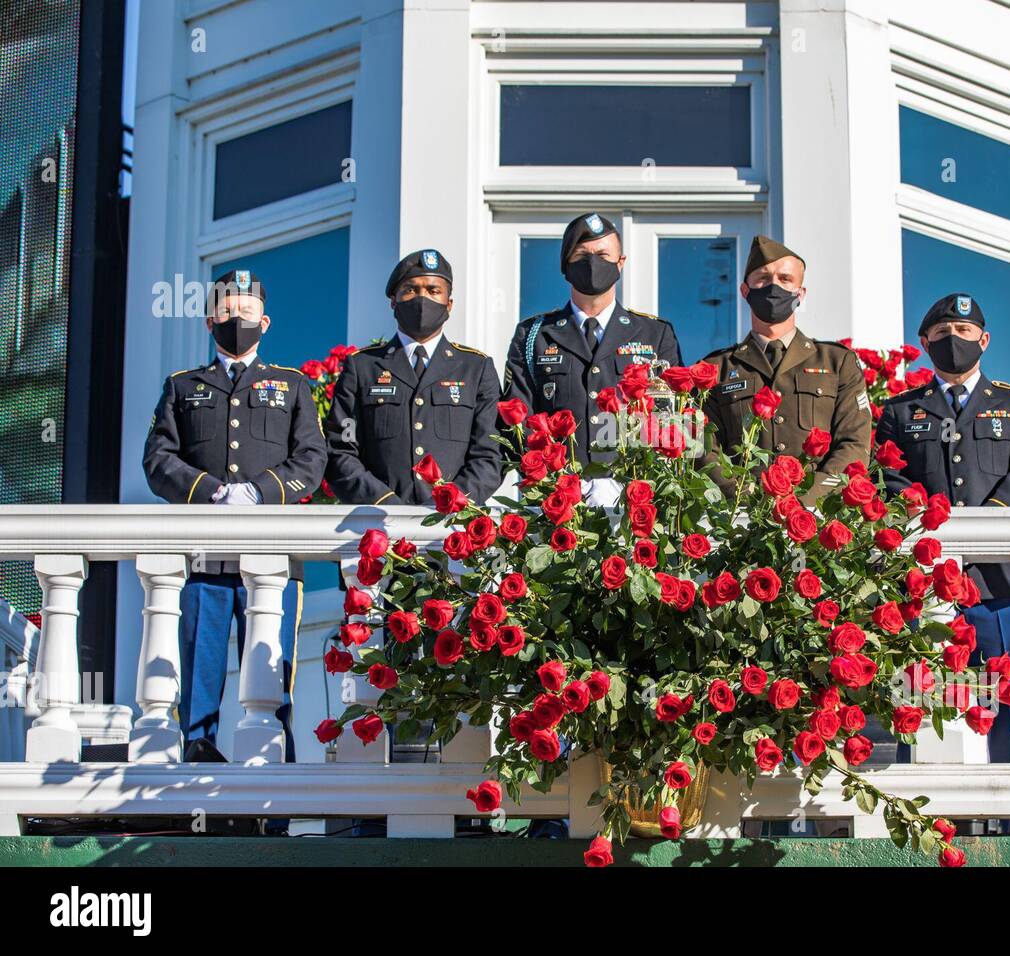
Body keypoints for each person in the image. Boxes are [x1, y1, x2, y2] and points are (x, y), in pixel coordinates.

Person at [143, 269, 325, 763]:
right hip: (203, 561)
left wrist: (258, 492)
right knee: (196, 688)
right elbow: (158, 461)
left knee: (271, 679)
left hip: (271, 563)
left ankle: (273, 807)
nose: (236, 319)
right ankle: (193, 782)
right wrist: (212, 492)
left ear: (264, 322)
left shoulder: (292, 386)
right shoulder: (183, 387)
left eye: (245, 311)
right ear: (209, 320)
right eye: (226, 311)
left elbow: (311, 459)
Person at [876, 293, 1010, 782]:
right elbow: (886, 477)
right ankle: (929, 813)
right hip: (925, 585)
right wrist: (928, 521)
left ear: (985, 340)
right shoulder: (899, 411)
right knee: (922, 704)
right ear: (924, 343)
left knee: (1002, 702)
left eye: (965, 332)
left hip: (995, 586)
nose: (955, 340)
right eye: (943, 333)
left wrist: (982, 525)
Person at [501, 212, 681, 479]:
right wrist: (553, 480)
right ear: (566, 265)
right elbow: (519, 423)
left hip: (633, 499)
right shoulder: (533, 336)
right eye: (582, 255)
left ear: (621, 263)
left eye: (602, 255)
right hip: (558, 501)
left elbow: (674, 424)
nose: (592, 263)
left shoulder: (655, 334)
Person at [701, 234, 872, 504]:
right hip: (740, 521)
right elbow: (704, 448)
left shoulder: (837, 363)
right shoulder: (717, 369)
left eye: (785, 279)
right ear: (745, 291)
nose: (773, 286)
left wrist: (808, 500)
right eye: (763, 278)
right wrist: (747, 499)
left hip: (815, 520)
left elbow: (854, 444)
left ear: (800, 294)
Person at [326, 248, 503, 506]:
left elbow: (491, 454)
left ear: (449, 304)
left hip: (452, 529)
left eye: (433, 291)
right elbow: (340, 451)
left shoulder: (475, 368)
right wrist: (385, 504)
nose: (422, 299)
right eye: (411, 290)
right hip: (378, 526)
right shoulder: (363, 367)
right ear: (393, 302)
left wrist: (450, 503)